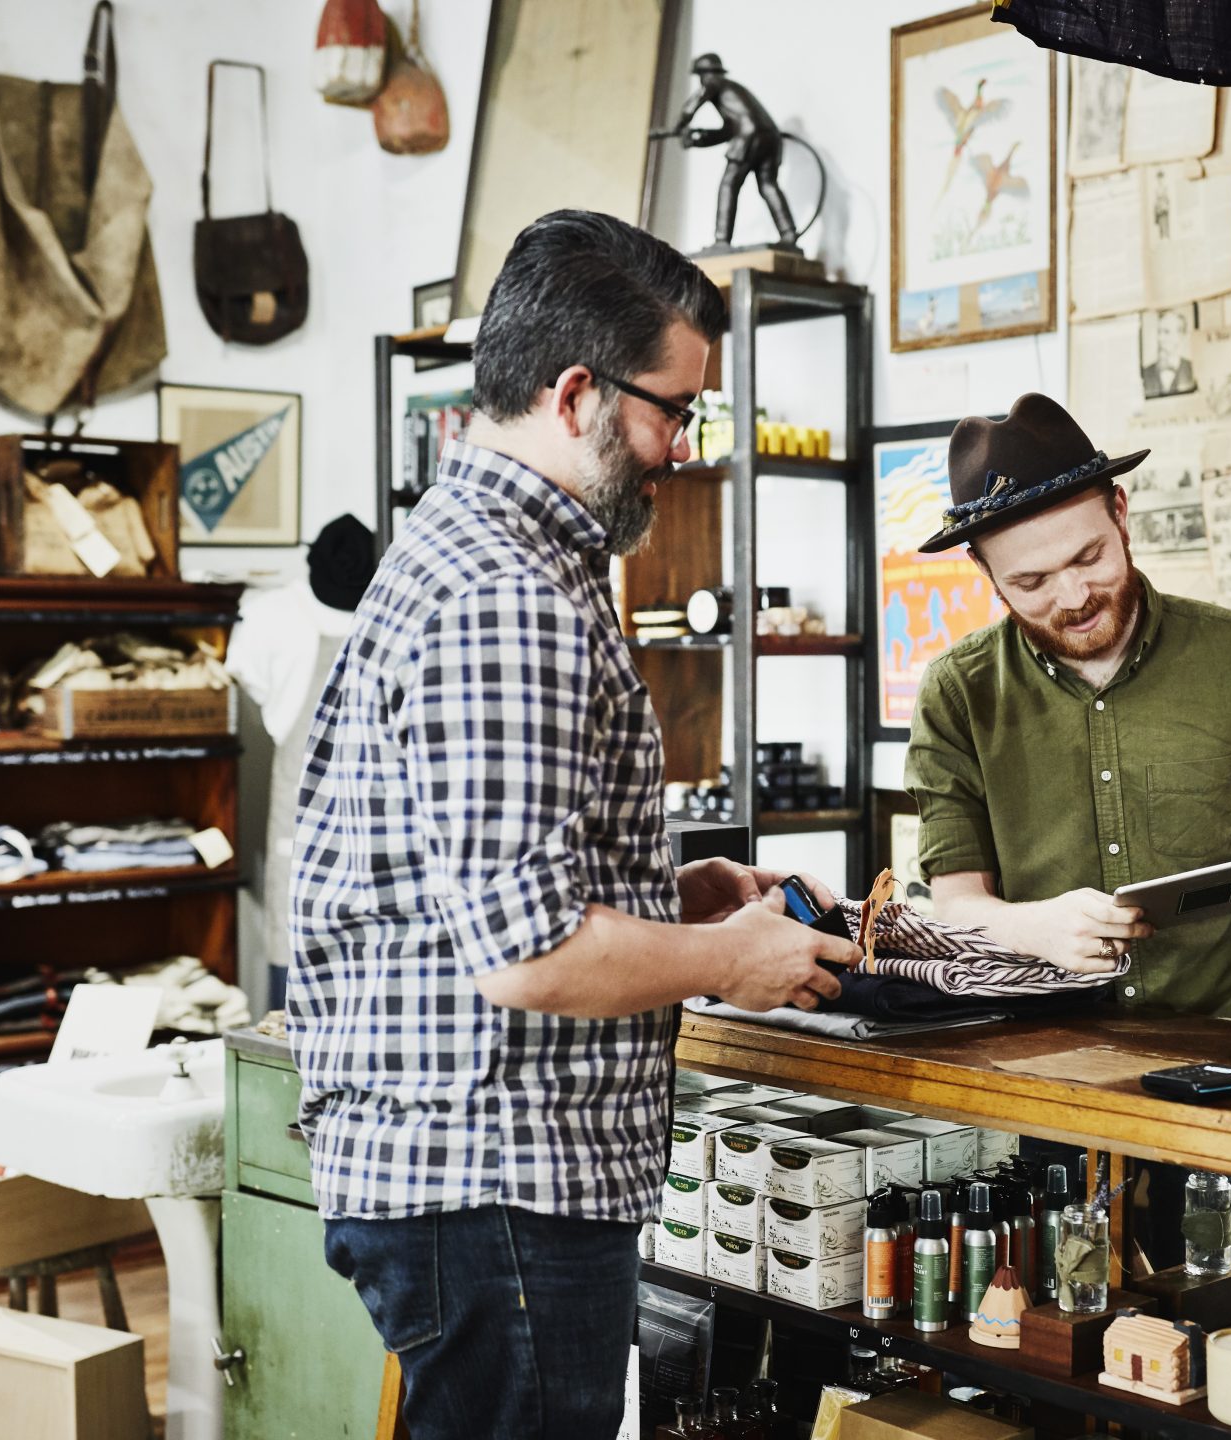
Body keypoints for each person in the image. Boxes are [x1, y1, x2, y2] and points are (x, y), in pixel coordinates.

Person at [288, 210, 857, 1440]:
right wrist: (731, 962)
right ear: (577, 392)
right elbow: (530, 953)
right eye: (671, 411)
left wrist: (673, 891)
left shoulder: (481, 555)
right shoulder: (508, 596)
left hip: (471, 1174)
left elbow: (475, 879)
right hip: (498, 1177)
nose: (681, 449)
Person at [903, 393, 1231, 1264]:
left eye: (1089, 557)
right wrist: (1036, 926)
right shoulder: (958, 692)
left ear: (1122, 512)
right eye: (1030, 581)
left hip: (1228, 1064)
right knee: (1047, 1338)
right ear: (986, 576)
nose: (1072, 595)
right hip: (1040, 1072)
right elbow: (952, 905)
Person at [668, 53, 795, 247]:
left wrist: (678, 126)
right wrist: (697, 140)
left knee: (729, 184)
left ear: (705, 74)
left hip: (749, 137)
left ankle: (721, 240)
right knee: (768, 184)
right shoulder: (734, 92)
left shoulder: (713, 83)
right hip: (770, 137)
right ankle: (788, 233)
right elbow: (728, 132)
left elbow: (692, 105)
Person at [1140, 309, 1196, 398]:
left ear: (1181, 336)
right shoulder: (1145, 373)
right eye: (1159, 332)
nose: (1160, 338)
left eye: (1166, 332)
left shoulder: (1194, 369)